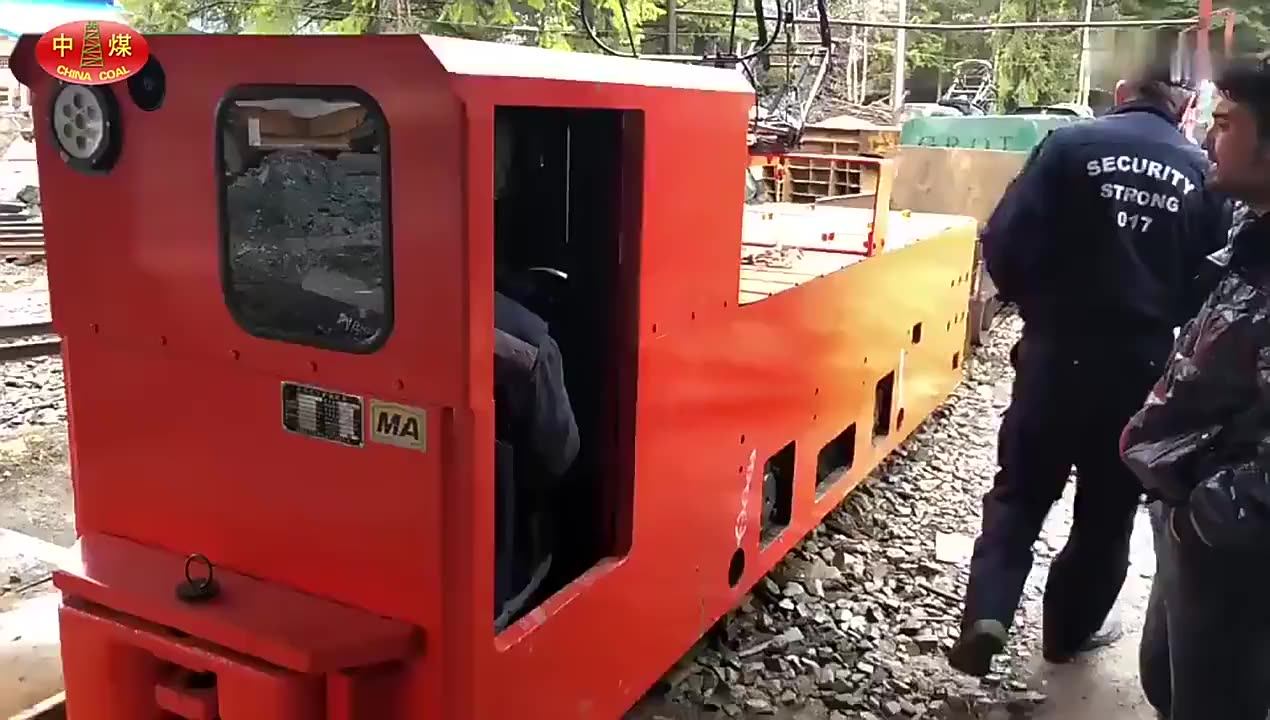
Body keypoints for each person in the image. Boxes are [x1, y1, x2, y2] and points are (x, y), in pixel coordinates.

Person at [948, 61, 1231, 677]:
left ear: (1122, 95)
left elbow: (1003, 240)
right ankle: (1066, 635)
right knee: (1107, 510)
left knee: (1020, 491)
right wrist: (1163, 315)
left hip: (1056, 352)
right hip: (1140, 365)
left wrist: (1037, 307)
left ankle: (988, 615)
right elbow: (1213, 276)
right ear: (1181, 108)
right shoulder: (1198, 169)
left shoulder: (1069, 144)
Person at [1121, 57, 1270, 720]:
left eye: (1227, 123)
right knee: (1168, 679)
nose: (1210, 139)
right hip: (1197, 517)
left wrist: (1208, 515)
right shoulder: (1249, 228)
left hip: (1235, 543)